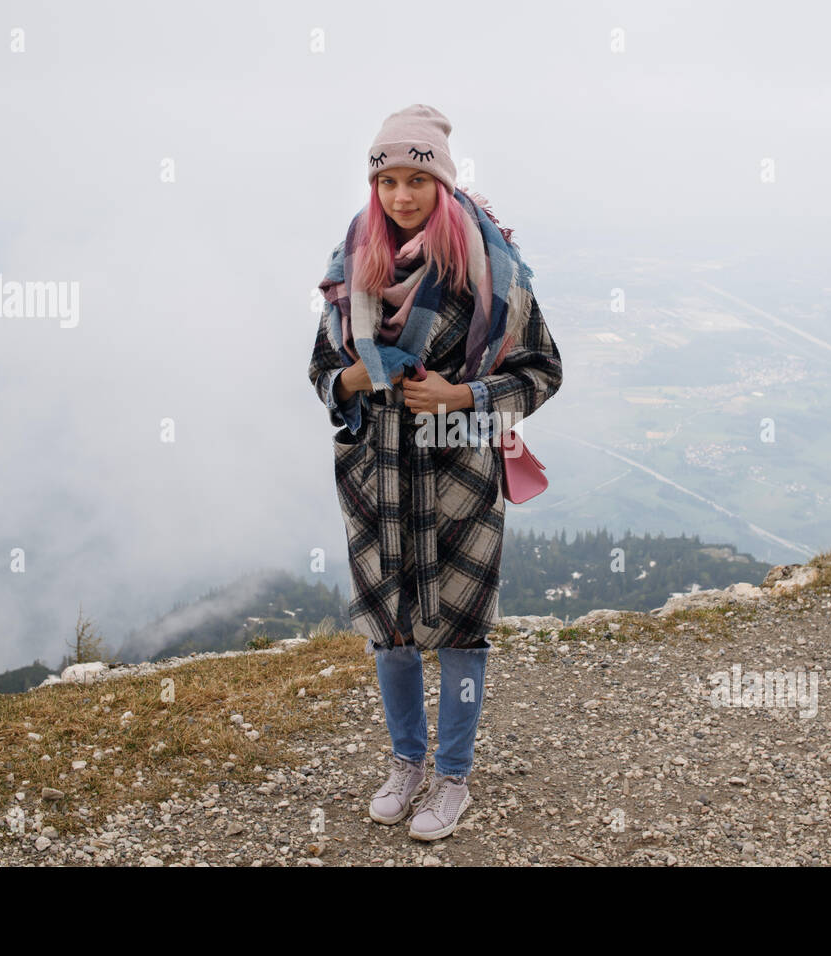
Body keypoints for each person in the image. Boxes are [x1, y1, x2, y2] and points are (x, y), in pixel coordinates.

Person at [307, 104, 562, 840]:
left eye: (418, 178)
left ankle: (453, 777)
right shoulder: (349, 267)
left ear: (442, 184)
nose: (402, 195)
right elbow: (322, 373)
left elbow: (543, 371)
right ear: (374, 184)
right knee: (389, 630)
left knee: (462, 632)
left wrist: (465, 395)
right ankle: (406, 764)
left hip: (461, 477)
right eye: (388, 178)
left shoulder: (486, 270)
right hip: (373, 476)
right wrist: (352, 380)